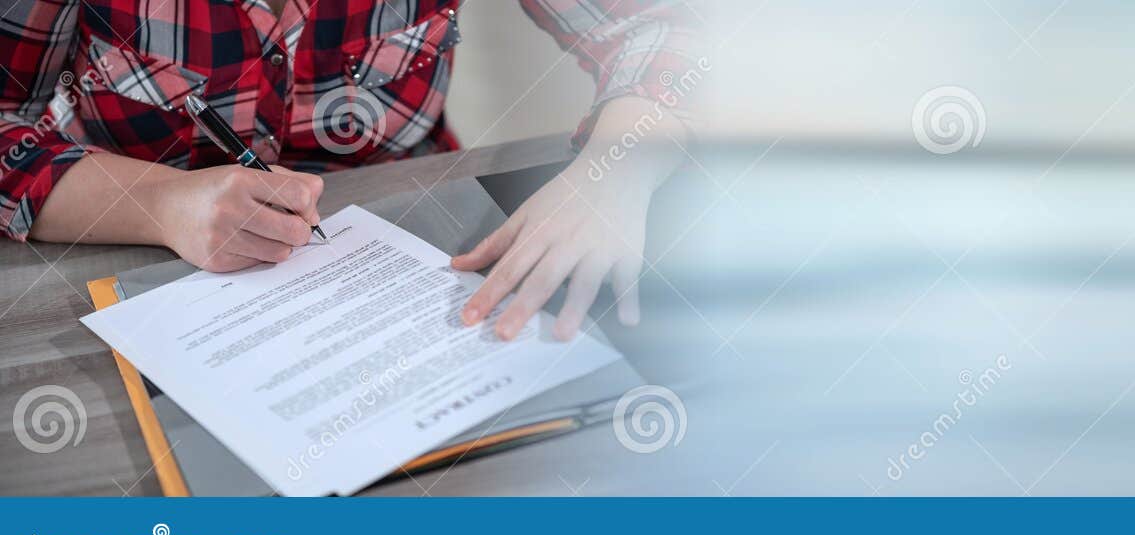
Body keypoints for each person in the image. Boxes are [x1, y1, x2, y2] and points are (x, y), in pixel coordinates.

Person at [0, 0, 703, 341]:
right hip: (121, 263)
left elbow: (668, 29)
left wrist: (614, 173)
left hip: (421, 261)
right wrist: (160, 204)